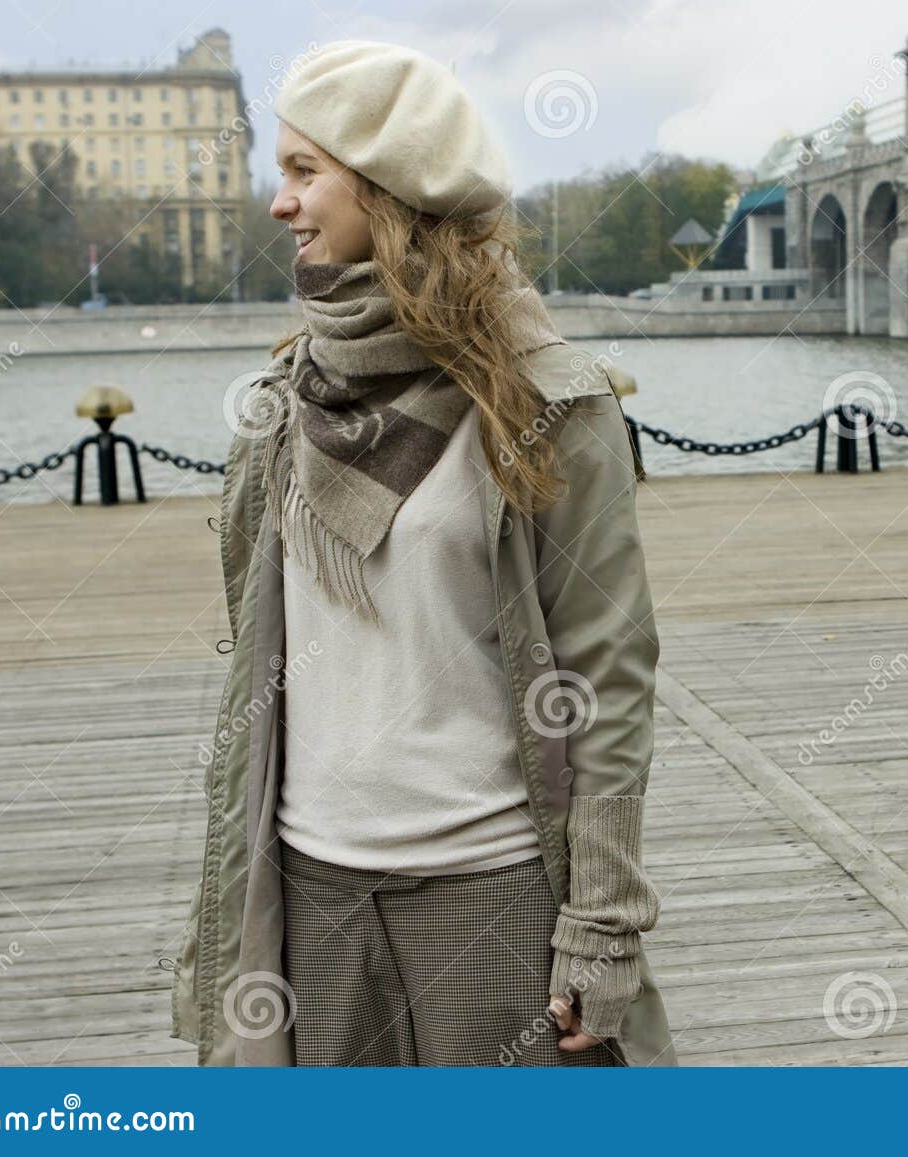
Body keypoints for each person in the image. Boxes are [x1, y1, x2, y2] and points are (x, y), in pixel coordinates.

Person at [168, 39, 677, 1067]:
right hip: (308, 887)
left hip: (492, 892)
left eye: (306, 170)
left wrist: (603, 917)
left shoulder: (546, 402)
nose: (282, 203)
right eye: (283, 171)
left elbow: (608, 675)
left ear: (392, 186)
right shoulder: (286, 399)